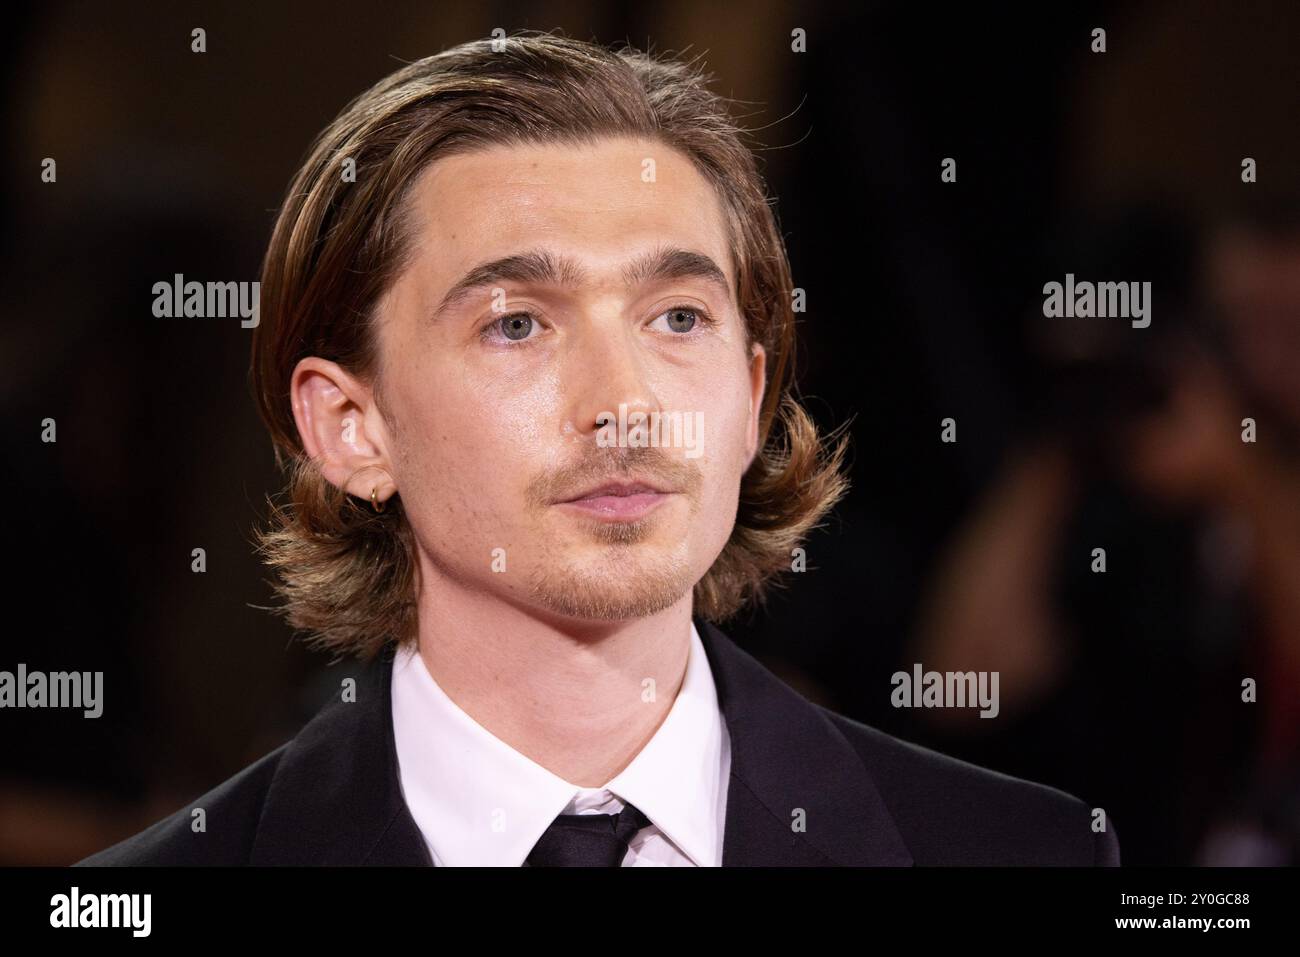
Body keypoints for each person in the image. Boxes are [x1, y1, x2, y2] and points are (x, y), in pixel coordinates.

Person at [76, 31, 1117, 867]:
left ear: (751, 400)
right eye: (517, 324)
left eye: (676, 319)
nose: (623, 404)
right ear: (351, 427)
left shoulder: (1018, 853)